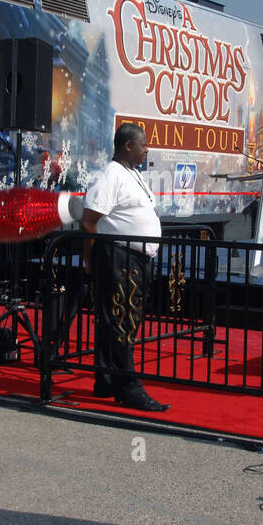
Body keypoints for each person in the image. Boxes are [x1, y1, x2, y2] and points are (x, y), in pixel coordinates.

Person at [81, 123, 167, 412]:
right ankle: (129, 387)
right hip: (118, 257)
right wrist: (91, 260)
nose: (147, 150)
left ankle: (105, 381)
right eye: (143, 145)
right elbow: (89, 220)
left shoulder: (132, 173)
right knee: (122, 321)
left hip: (135, 258)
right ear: (128, 145)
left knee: (118, 320)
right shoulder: (111, 175)